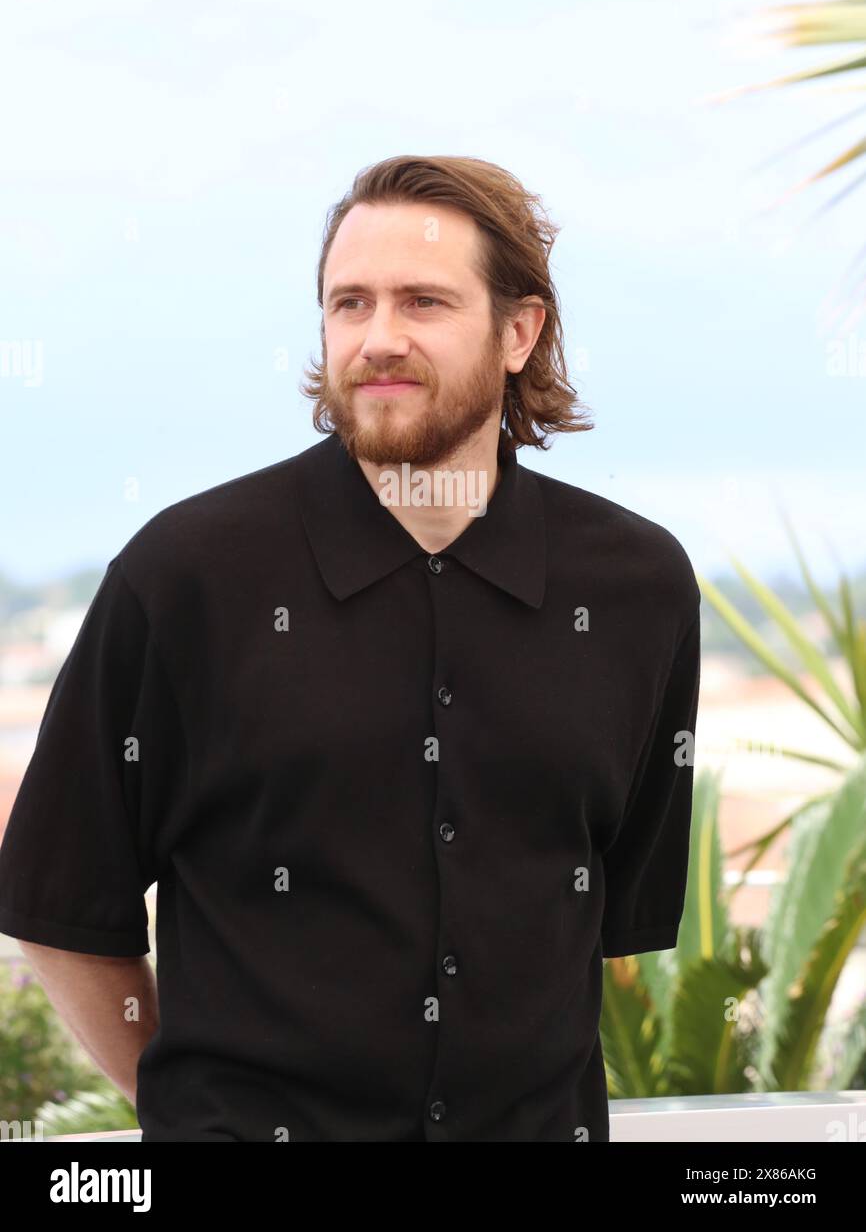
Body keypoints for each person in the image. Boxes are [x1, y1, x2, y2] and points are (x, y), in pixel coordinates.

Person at [0, 154, 700, 1141]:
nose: (378, 339)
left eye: (421, 301)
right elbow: (61, 906)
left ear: (518, 330)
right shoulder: (184, 575)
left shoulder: (638, 588)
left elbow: (603, 914)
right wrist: (189, 1116)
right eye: (348, 303)